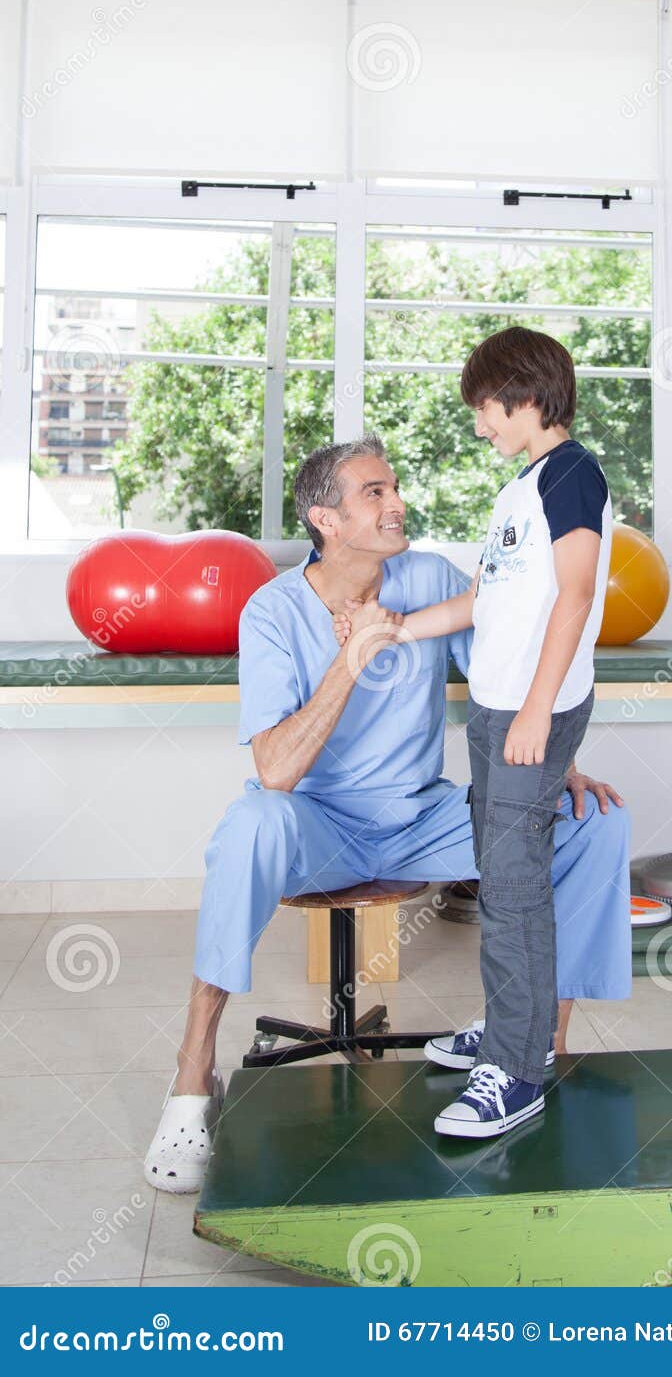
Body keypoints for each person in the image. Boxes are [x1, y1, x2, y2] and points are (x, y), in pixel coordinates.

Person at [142, 435, 631, 1193]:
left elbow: (504, 673)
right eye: (374, 492)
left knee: (588, 824)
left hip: (423, 817)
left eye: (393, 486)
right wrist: (353, 656)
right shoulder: (271, 611)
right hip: (321, 826)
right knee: (250, 825)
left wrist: (558, 761)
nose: (396, 501)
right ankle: (192, 1072)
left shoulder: (430, 575)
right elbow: (274, 769)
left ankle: (533, 1044)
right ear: (325, 519)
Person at [335, 328, 619, 1140]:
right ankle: (506, 1034)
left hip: (528, 711)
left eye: (485, 411)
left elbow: (573, 596)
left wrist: (536, 709)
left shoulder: (570, 474)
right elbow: (485, 605)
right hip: (496, 710)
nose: (480, 426)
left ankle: (519, 1070)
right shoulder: (523, 488)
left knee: (516, 884)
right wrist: (392, 630)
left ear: (523, 398)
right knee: (502, 878)